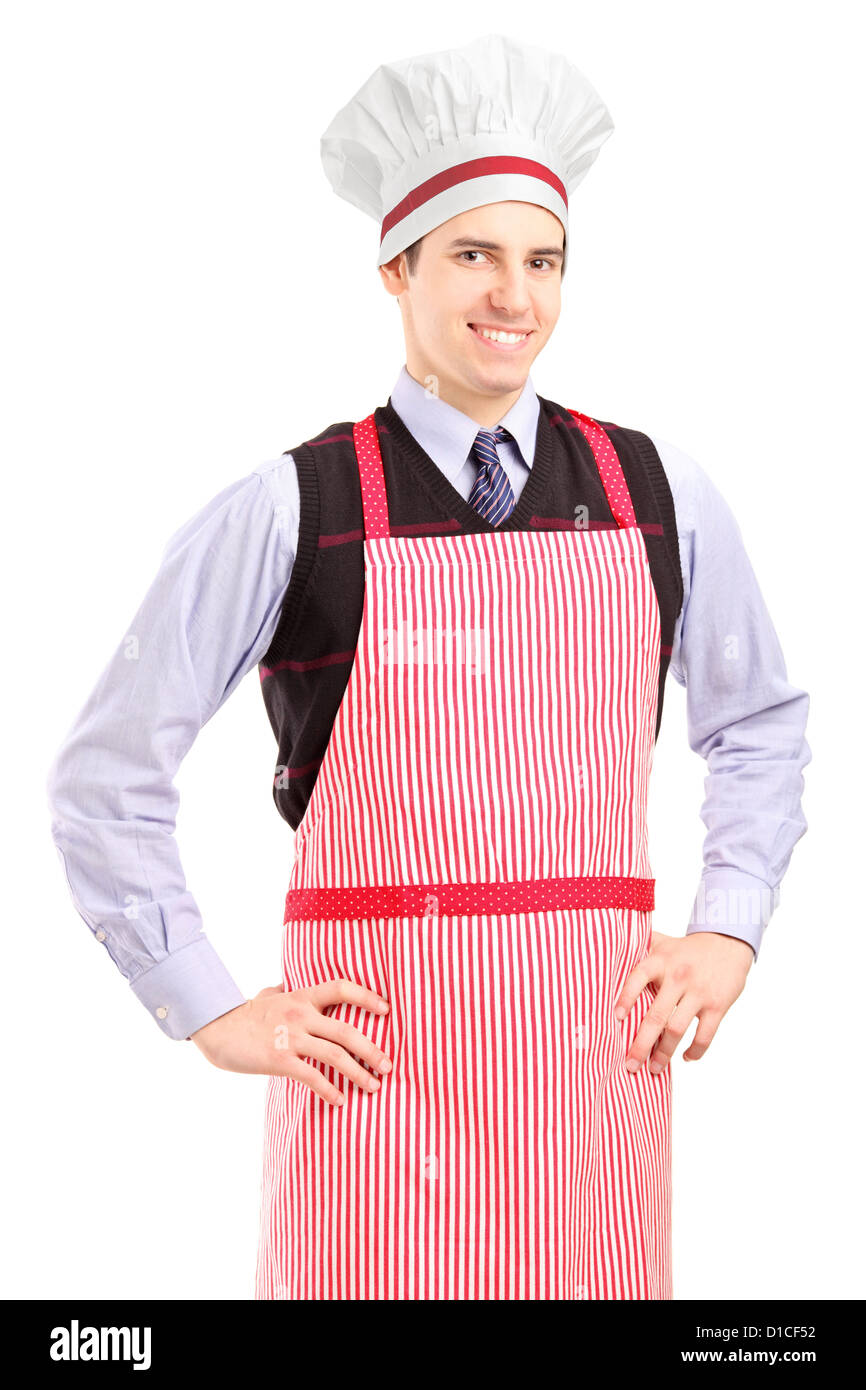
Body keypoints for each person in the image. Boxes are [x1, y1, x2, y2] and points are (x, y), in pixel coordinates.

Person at [46, 34, 811, 1300]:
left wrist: (727, 927)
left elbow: (760, 721)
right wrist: (204, 1001)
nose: (513, 295)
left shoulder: (656, 495)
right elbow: (107, 771)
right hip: (378, 1084)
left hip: (590, 1084)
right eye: (473, 254)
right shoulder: (292, 506)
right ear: (395, 267)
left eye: (542, 260)